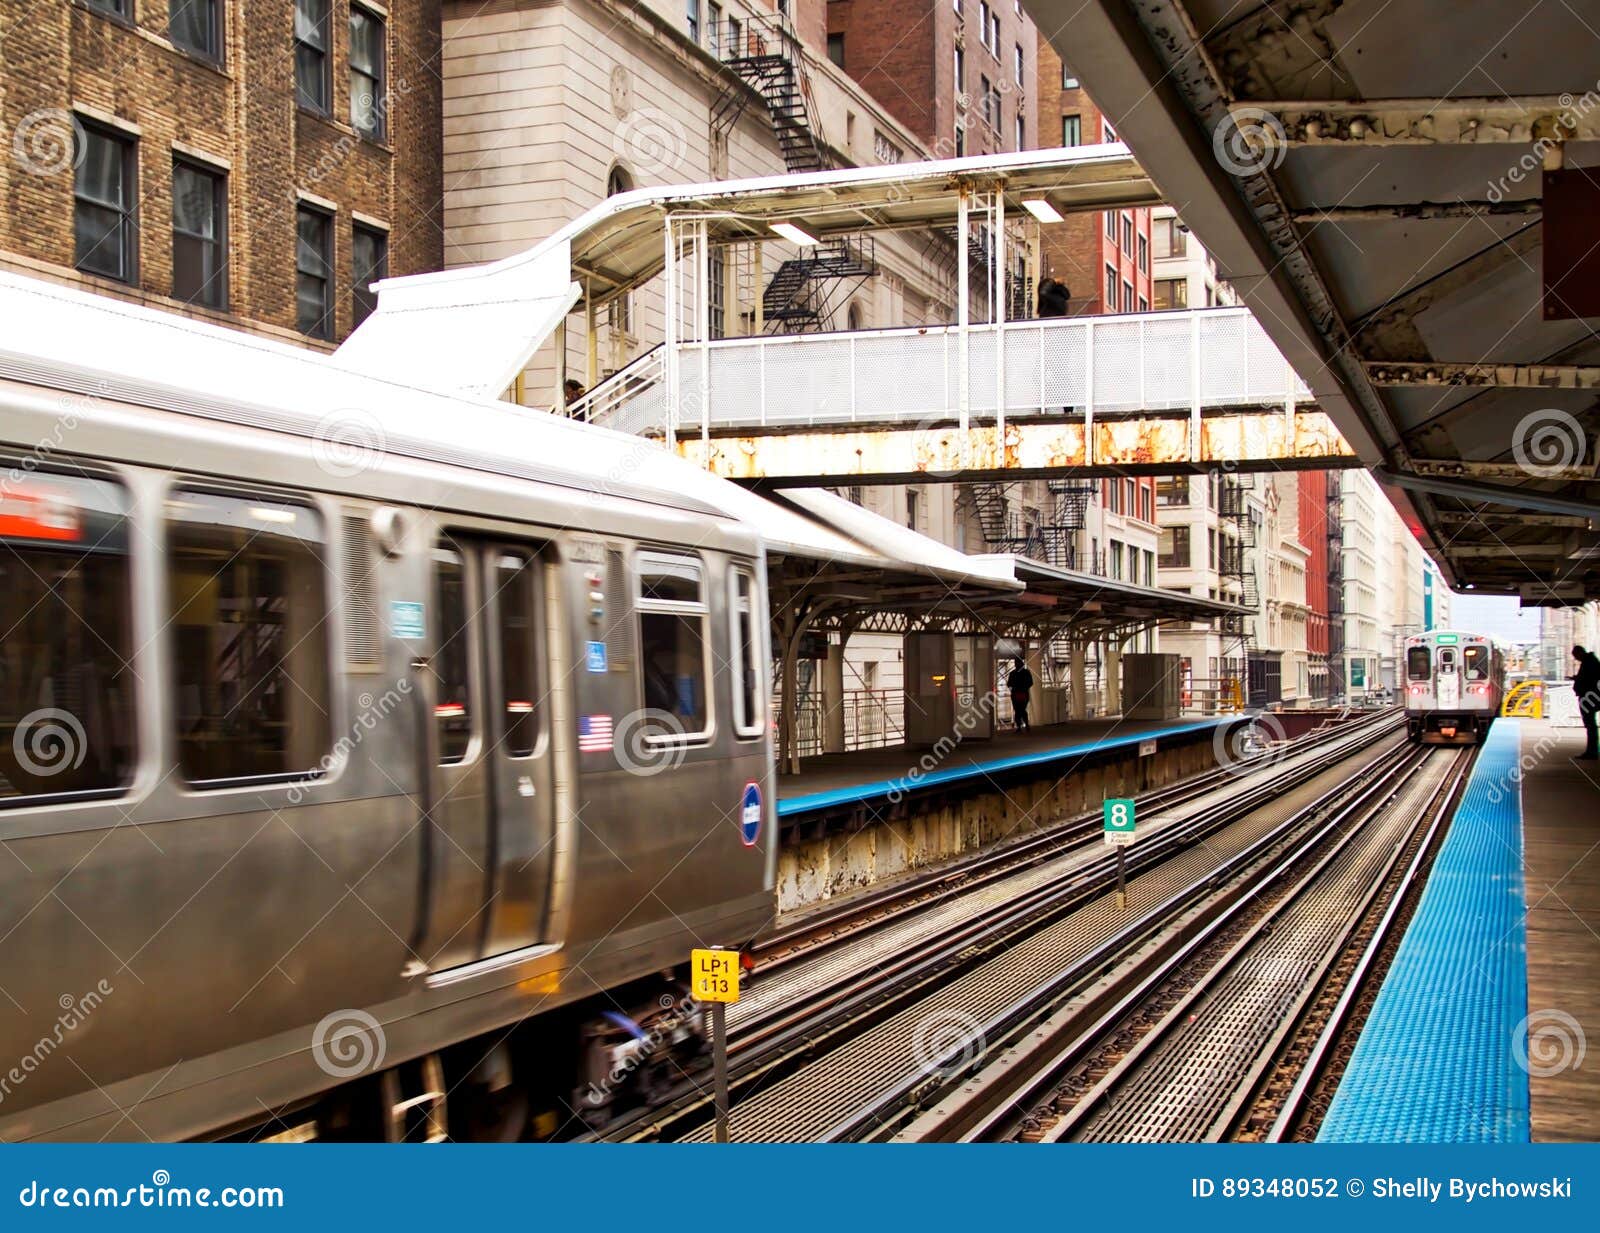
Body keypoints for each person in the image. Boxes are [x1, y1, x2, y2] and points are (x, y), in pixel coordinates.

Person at [1573, 644, 1600, 760]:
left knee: (1590, 725)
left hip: (1589, 697)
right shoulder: (1590, 661)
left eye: (1575, 656)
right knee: (1590, 725)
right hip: (1589, 696)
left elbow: (1589, 679)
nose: (1575, 659)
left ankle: (1592, 751)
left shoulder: (1589, 663)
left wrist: (1578, 680)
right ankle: (1592, 750)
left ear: (1580, 653)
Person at [1007, 658, 1035, 732]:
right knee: (1021, 710)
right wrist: (1024, 687)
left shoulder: (1013, 673)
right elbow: (1030, 683)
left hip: (1017, 693)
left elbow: (1009, 684)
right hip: (1022, 693)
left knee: (1018, 710)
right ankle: (1024, 725)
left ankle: (1020, 726)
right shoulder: (1026, 672)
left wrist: (1015, 688)